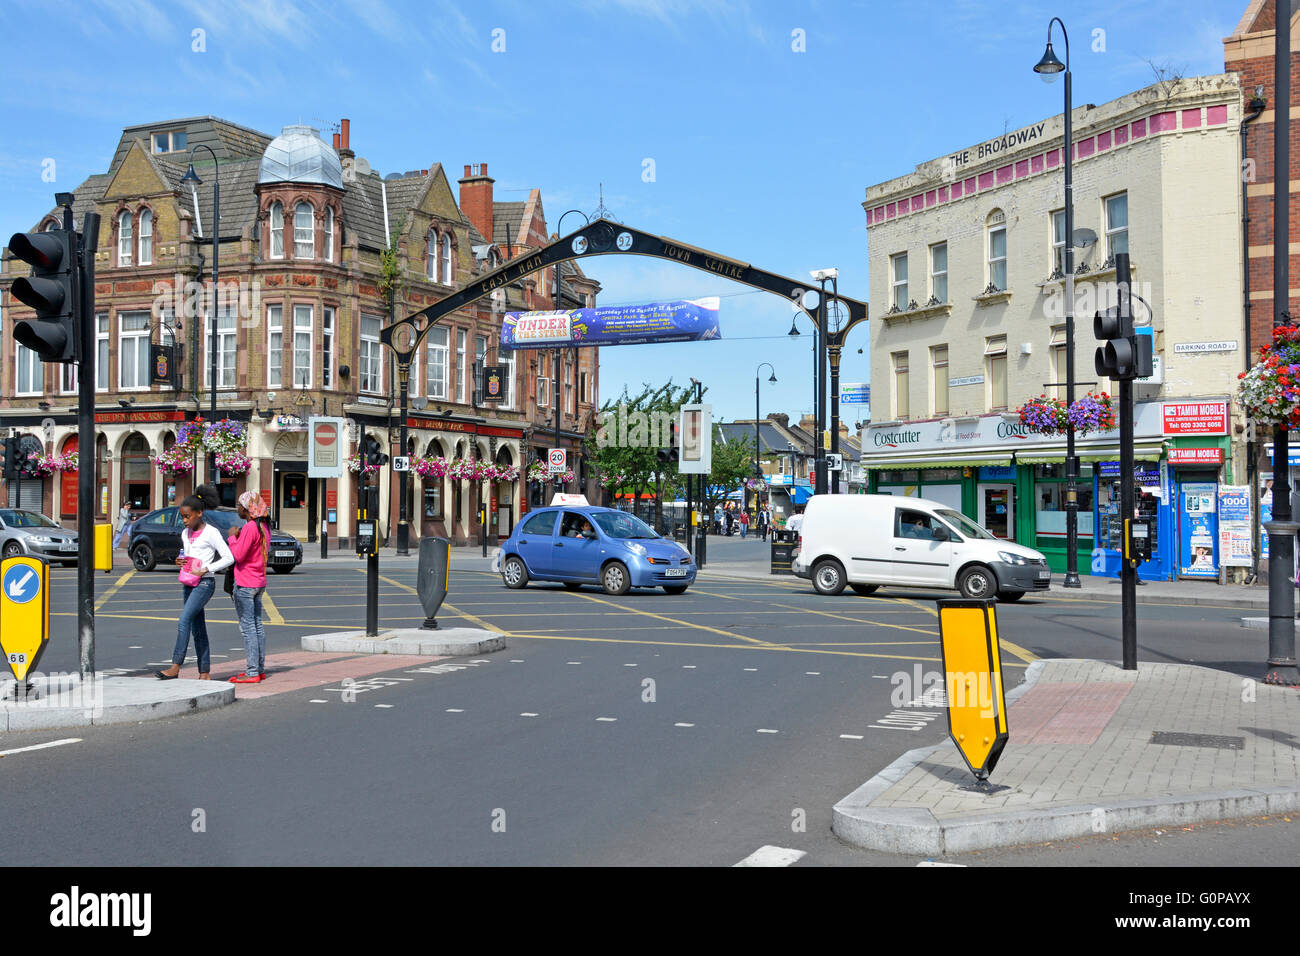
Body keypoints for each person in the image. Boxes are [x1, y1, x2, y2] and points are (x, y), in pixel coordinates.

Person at [156, 494, 234, 681]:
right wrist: (179, 560)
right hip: (188, 583)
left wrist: (207, 569)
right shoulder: (185, 533)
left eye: (187, 516)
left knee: (184, 620)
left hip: (205, 583)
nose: (184, 520)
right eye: (182, 517)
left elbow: (229, 557)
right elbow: (188, 557)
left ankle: (176, 666)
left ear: (199, 513)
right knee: (198, 628)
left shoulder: (211, 533)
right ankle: (204, 672)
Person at [228, 490, 271, 683]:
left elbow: (238, 555)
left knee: (248, 629)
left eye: (239, 505)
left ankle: (252, 671)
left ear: (247, 509)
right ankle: (259, 668)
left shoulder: (250, 528)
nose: (236, 508)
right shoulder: (264, 527)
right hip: (259, 581)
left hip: (245, 582)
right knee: (257, 626)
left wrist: (232, 537)